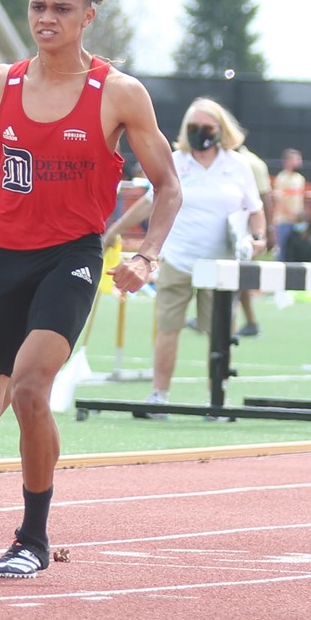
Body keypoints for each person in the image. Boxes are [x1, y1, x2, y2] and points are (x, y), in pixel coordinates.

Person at [0, 0, 181, 579]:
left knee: (32, 385)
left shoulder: (119, 93)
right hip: (0, 259)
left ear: (88, 17)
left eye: (61, 9)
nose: (46, 19)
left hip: (71, 258)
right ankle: (31, 414)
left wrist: (147, 255)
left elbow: (167, 186)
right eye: (38, 7)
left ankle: (31, 537)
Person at [103, 97, 263, 415]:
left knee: (218, 331)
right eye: (193, 127)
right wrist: (114, 230)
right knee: (168, 326)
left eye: (206, 127)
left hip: (220, 264)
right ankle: (159, 395)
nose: (199, 133)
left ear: (221, 130)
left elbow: (255, 210)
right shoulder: (176, 160)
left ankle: (215, 396)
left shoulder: (238, 165)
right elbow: (151, 200)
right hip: (178, 256)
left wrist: (258, 238)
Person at [224, 110, 271, 337]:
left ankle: (227, 322)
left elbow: (264, 199)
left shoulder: (251, 164)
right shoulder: (220, 160)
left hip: (247, 230)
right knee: (237, 277)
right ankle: (249, 322)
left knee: (236, 277)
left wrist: (265, 233)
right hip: (231, 228)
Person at [271, 148, 308, 261]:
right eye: (296, 159)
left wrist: (301, 217)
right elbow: (280, 200)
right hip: (284, 221)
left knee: (298, 251)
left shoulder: (300, 179)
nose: (299, 162)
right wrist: (291, 216)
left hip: (298, 221)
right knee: (283, 251)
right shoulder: (282, 178)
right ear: (287, 161)